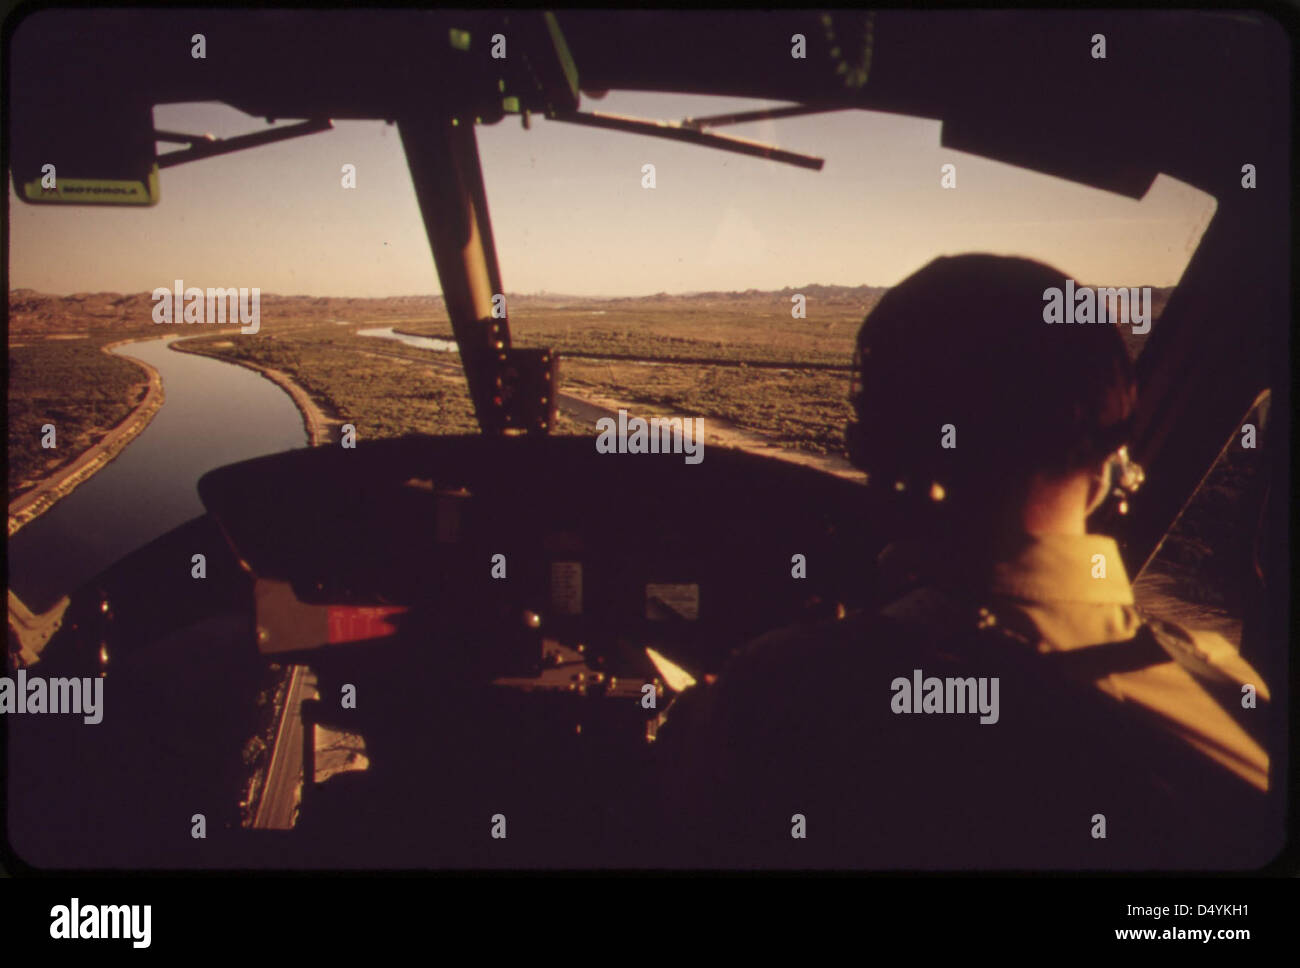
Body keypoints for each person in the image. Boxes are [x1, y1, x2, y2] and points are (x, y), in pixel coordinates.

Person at [654, 254, 1275, 869]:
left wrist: (702, 711)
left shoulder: (785, 696)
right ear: (1114, 470)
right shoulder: (1229, 686)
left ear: (885, 456)